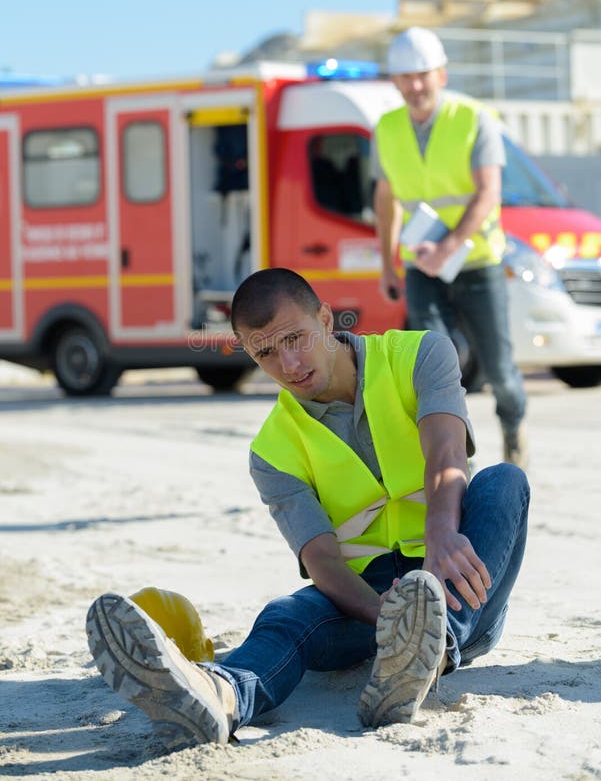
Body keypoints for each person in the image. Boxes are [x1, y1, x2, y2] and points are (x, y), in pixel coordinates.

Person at [86, 268, 530, 751]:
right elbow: (322, 561)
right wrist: (384, 616)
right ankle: (220, 696)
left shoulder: (421, 354)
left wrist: (442, 538)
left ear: (324, 318)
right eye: (266, 352)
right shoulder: (271, 451)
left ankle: (436, 645)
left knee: (504, 482)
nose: (289, 362)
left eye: (295, 338)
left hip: (461, 584)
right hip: (366, 600)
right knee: (287, 614)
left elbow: (447, 455)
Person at [372, 26, 528, 468]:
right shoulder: (385, 129)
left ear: (441, 74)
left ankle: (513, 428)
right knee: (435, 366)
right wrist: (388, 266)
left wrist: (452, 246)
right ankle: (456, 454)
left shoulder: (474, 118)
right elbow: (385, 200)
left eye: (423, 74)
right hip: (422, 266)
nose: (415, 85)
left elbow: (487, 193)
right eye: (406, 76)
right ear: (395, 81)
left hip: (477, 262)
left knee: (500, 371)